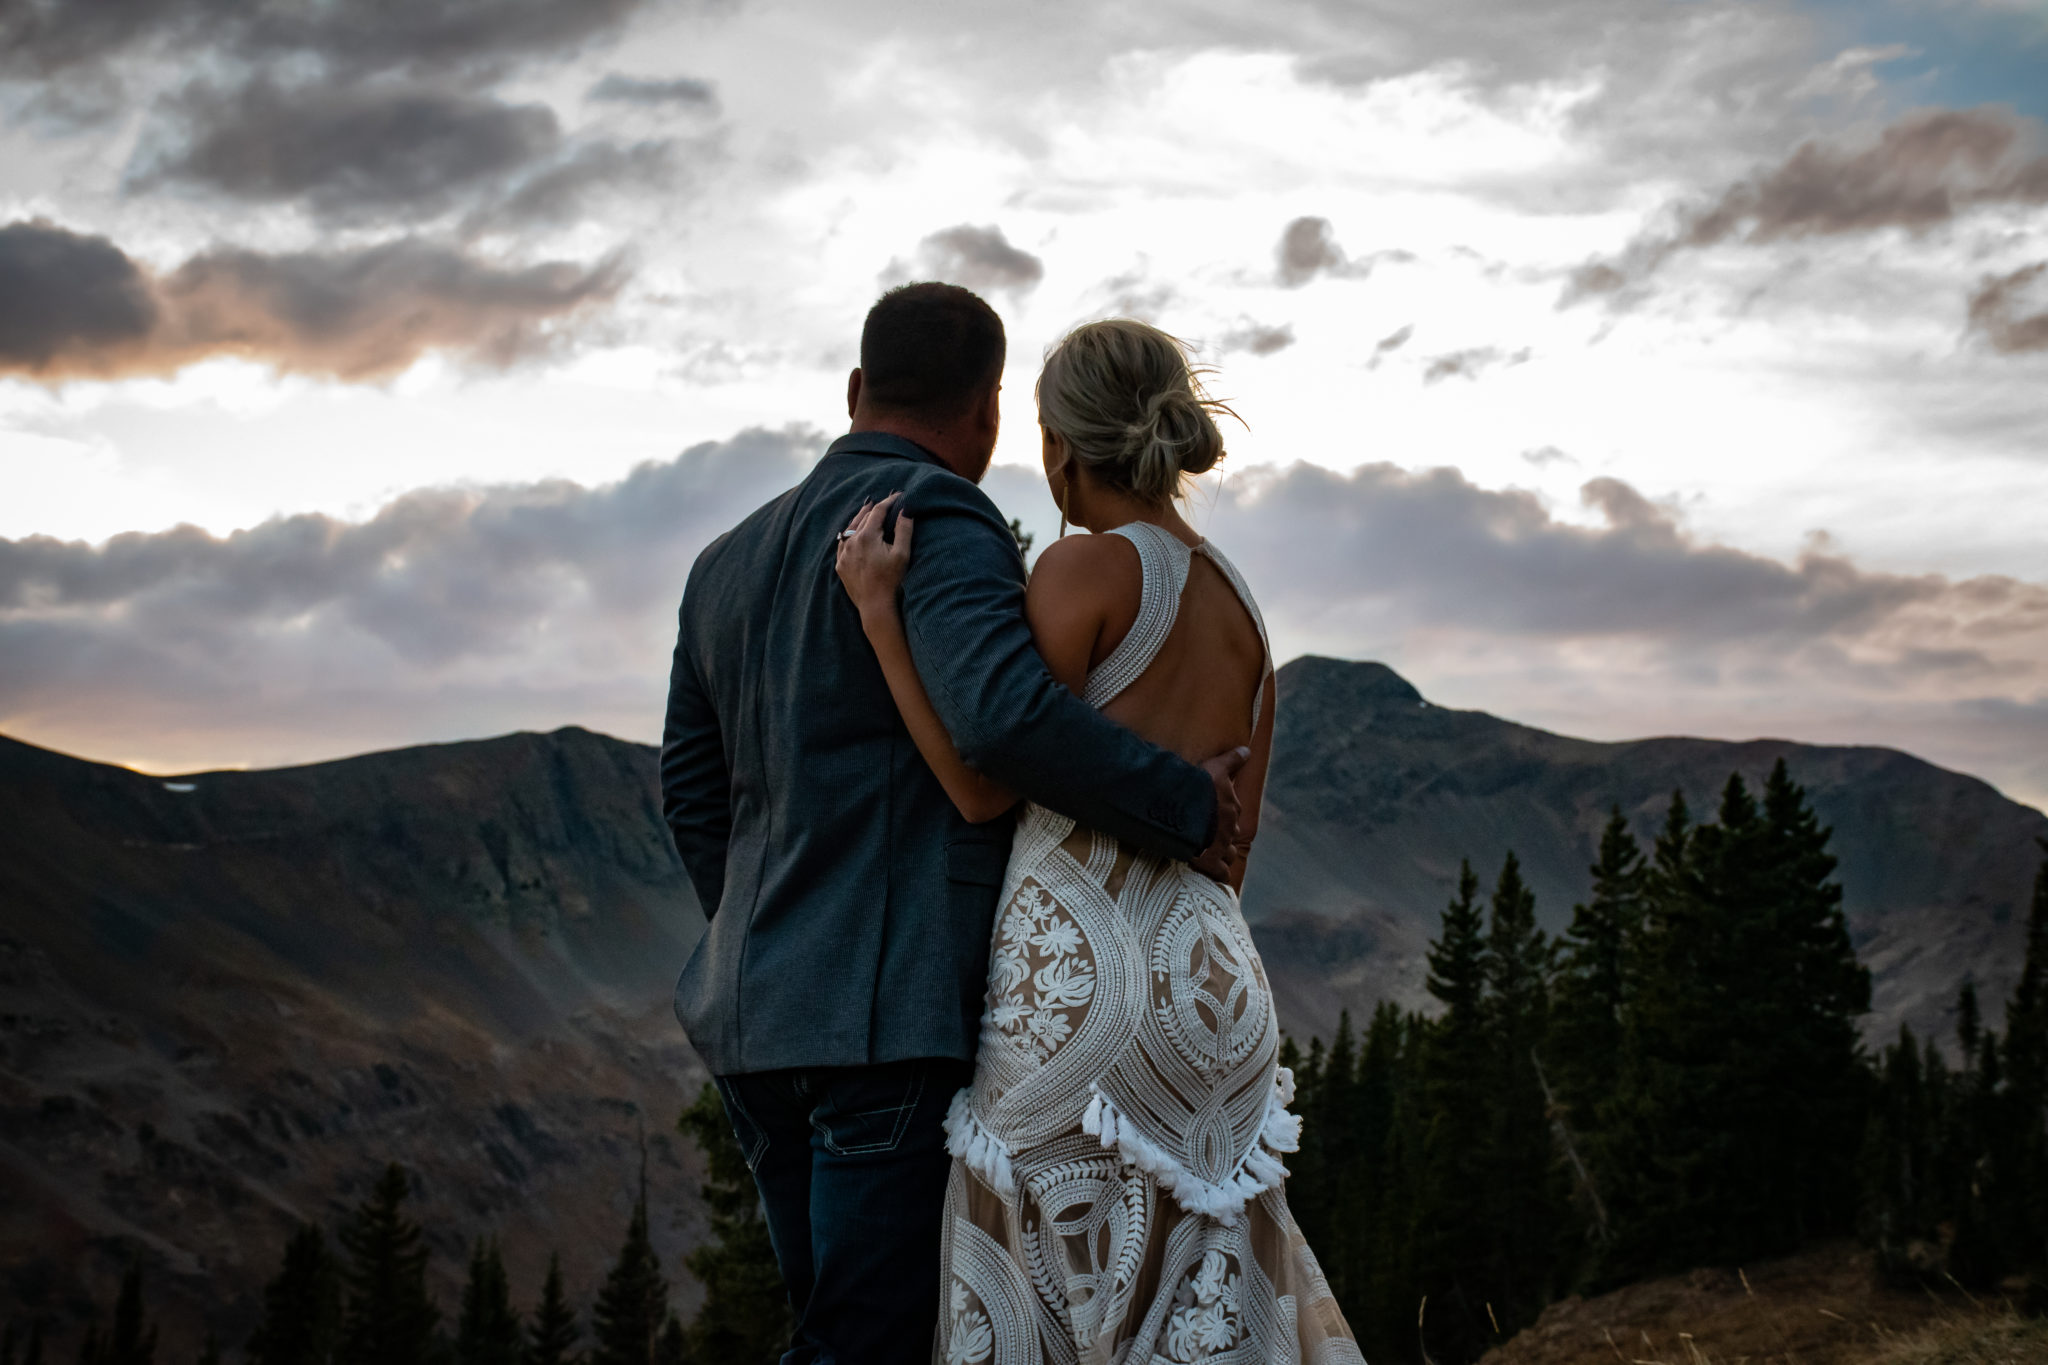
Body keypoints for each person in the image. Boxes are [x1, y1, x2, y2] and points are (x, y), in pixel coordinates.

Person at [660, 284, 1251, 1364]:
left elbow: (691, 794)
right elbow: (1001, 718)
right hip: (890, 1021)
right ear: (986, 410)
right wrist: (1184, 803)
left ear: (853, 392)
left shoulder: (720, 566)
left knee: (833, 1331)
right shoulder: (938, 513)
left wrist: (767, 931)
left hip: (758, 1020)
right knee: (874, 1345)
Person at [836, 318, 1362, 1363]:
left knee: (1055, 1306)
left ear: (1061, 446)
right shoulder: (1242, 607)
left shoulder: (1081, 571)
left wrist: (883, 627)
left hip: (1080, 998)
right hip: (1216, 998)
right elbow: (1231, 842)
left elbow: (985, 783)